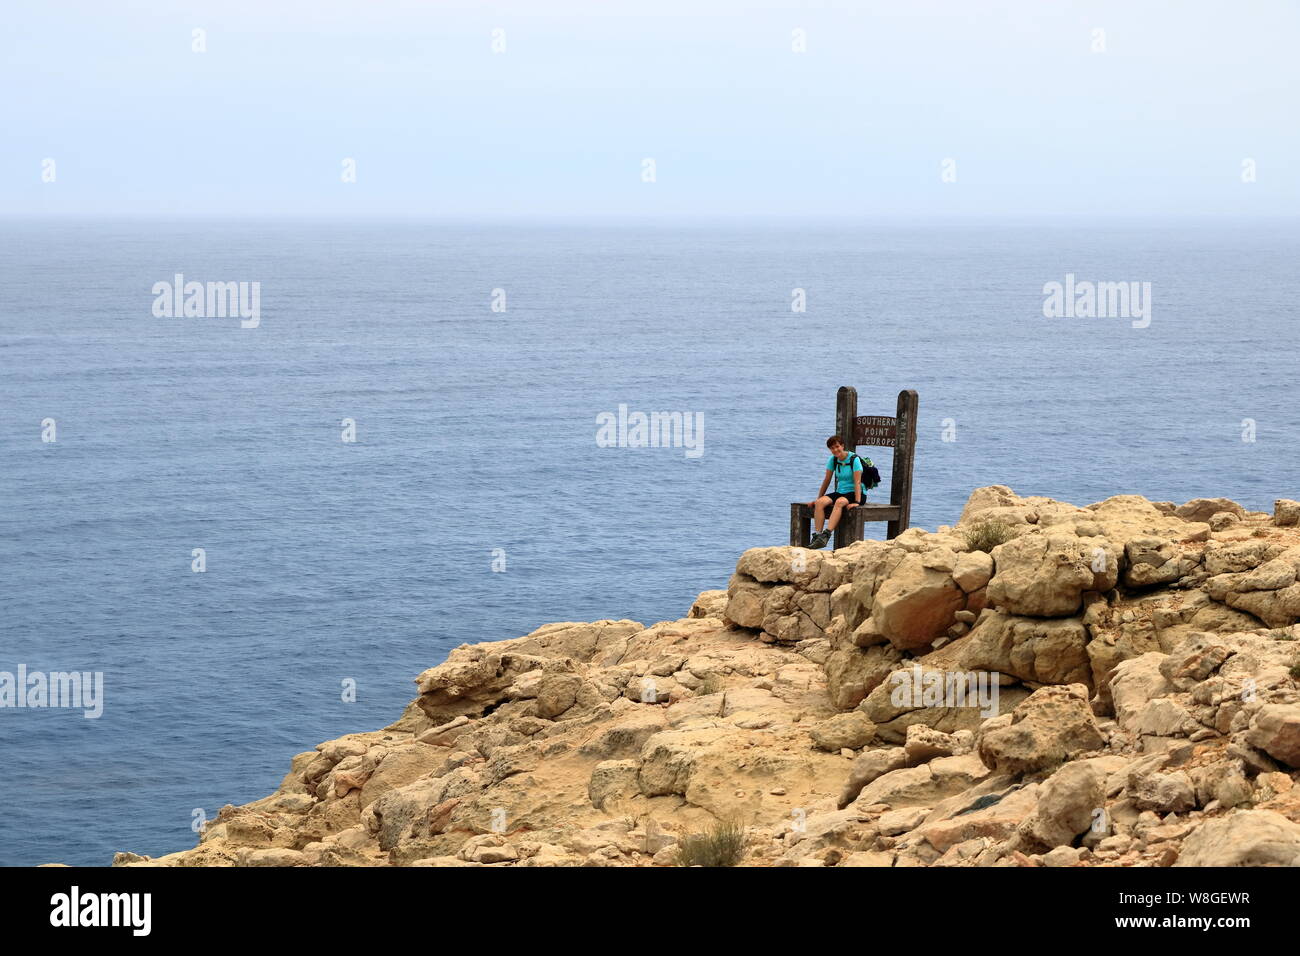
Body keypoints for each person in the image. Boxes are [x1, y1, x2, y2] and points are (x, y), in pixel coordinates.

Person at [806, 436, 867, 549]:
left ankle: (826, 535)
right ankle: (818, 536)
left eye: (837, 447)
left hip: (856, 492)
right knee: (820, 503)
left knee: (839, 502)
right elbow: (827, 480)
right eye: (832, 448)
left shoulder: (854, 459)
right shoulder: (833, 460)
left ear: (842, 446)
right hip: (840, 491)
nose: (835, 450)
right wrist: (818, 499)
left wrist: (857, 502)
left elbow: (857, 482)